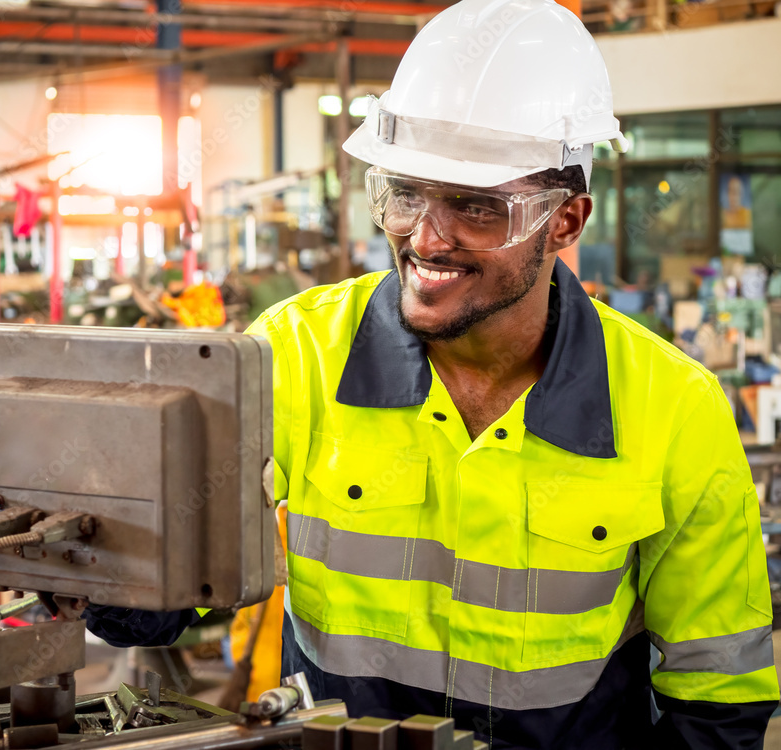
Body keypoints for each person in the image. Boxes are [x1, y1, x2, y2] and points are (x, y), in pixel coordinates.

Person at [86, 0, 779, 746]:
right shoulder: (296, 352)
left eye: (478, 208)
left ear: (566, 223)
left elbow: (718, 695)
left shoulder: (671, 406)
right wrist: (96, 555)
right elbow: (168, 588)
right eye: (405, 194)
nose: (427, 237)